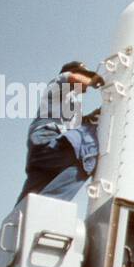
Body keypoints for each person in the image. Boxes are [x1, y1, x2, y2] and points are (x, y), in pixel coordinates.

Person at [17, 61, 102, 204]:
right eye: (84, 76)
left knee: (29, 199)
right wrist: (99, 82)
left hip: (44, 154)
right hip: (47, 143)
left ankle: (19, 221)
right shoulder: (58, 87)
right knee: (87, 156)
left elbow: (74, 125)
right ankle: (45, 209)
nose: (86, 84)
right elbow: (71, 77)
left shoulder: (71, 103)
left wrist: (92, 116)